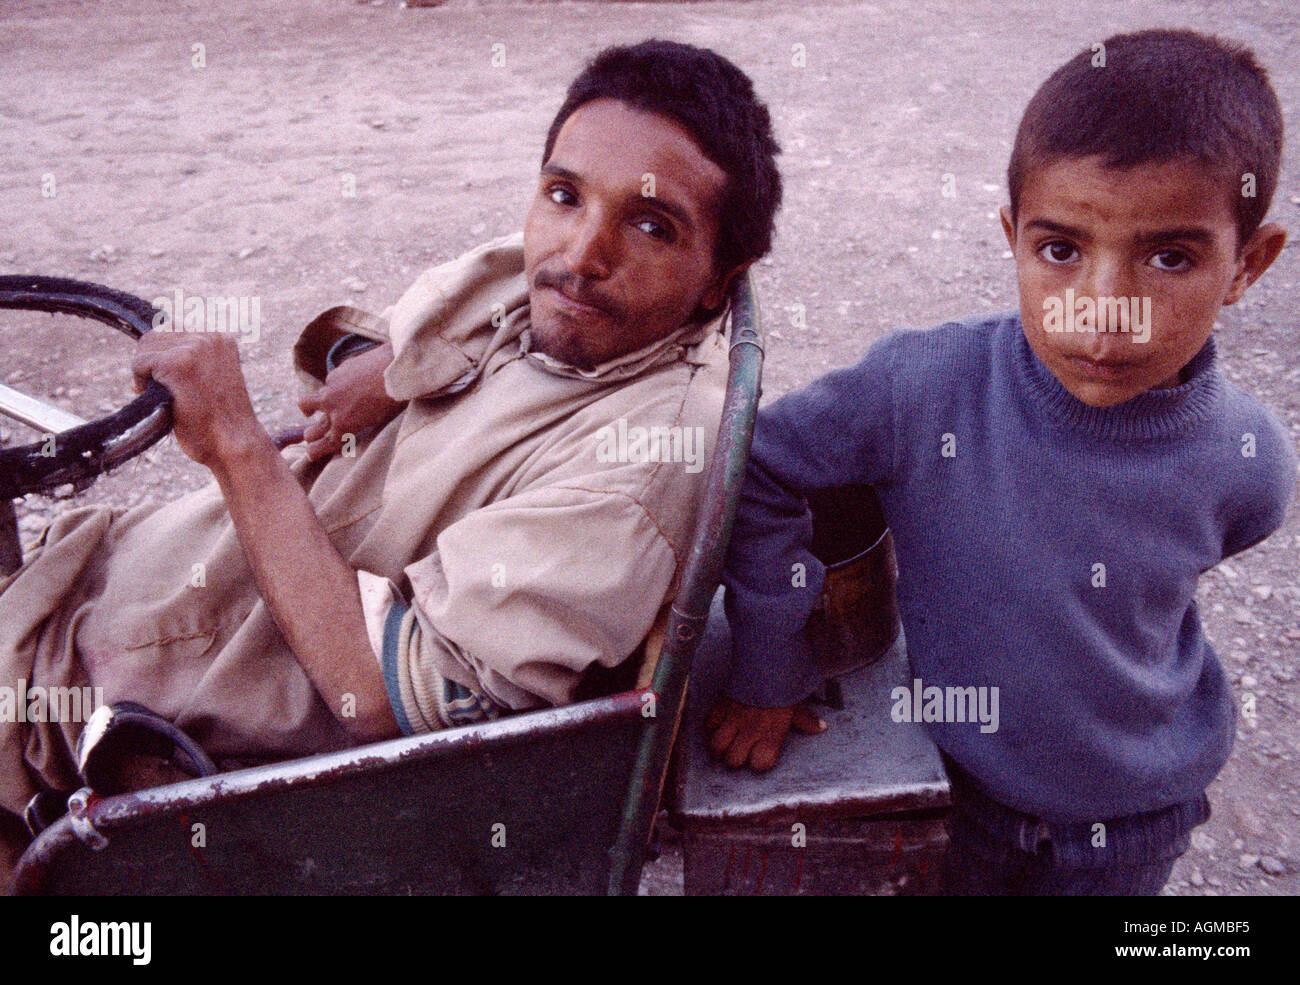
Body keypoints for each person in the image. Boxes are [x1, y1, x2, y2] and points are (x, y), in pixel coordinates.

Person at [0, 39, 782, 883]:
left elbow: (374, 698)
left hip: (113, 670)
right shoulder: (573, 295)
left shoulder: (640, 461)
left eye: (651, 224)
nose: (581, 254)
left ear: (716, 281)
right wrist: (389, 360)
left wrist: (235, 445)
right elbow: (478, 291)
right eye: (564, 193)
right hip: (126, 560)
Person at [706, 29, 1295, 895]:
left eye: (1170, 256)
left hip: (1138, 820)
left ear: (1248, 263)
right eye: (1060, 249)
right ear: (1012, 235)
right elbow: (756, 466)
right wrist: (768, 661)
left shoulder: (1250, 460)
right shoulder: (920, 389)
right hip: (957, 789)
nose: (1104, 312)